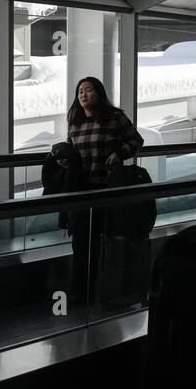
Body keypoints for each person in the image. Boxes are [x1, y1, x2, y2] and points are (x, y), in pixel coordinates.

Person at [65, 76, 144, 303]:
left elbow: (137, 141)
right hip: (81, 191)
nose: (83, 94)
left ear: (99, 93)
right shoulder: (75, 121)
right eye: (80, 91)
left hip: (107, 190)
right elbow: (71, 149)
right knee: (80, 243)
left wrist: (119, 153)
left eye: (88, 90)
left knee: (104, 241)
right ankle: (81, 294)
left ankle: (106, 291)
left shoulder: (115, 117)